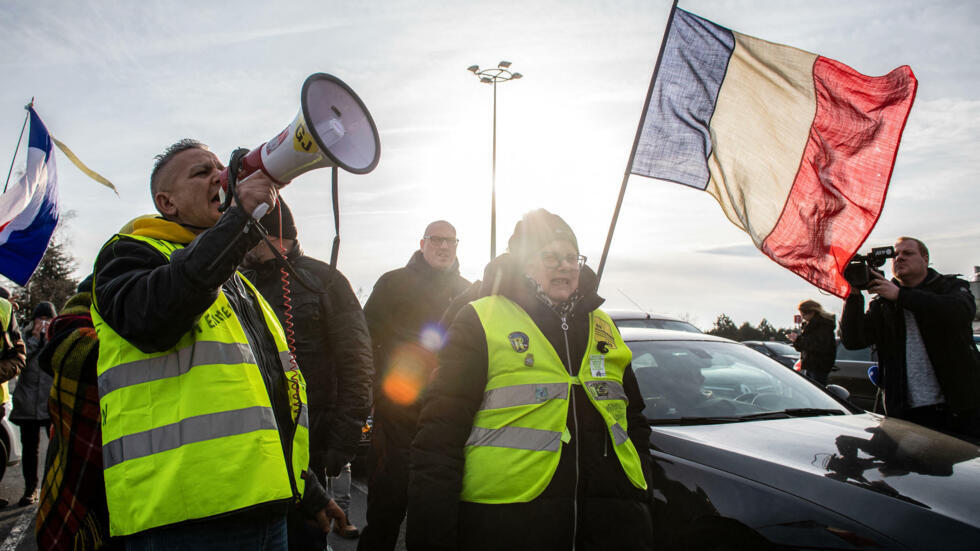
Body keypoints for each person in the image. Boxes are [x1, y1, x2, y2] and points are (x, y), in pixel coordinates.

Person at [91, 139, 333, 548]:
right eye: (202, 172)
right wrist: (238, 220)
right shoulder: (127, 254)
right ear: (167, 203)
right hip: (183, 515)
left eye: (221, 168)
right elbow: (153, 319)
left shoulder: (236, 281)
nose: (220, 177)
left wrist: (307, 492)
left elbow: (263, 400)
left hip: (262, 505)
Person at [407, 209, 653, 551]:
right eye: (550, 256)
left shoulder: (605, 327)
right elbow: (439, 437)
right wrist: (432, 536)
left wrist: (639, 493)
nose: (565, 266)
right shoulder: (481, 318)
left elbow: (634, 419)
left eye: (572, 257)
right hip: (505, 525)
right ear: (523, 264)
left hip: (612, 526)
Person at [242, 198, 372, 543]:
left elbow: (357, 365)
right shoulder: (237, 281)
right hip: (251, 451)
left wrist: (341, 447)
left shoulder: (324, 281)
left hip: (310, 451)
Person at [358, 220, 470, 551]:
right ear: (422, 243)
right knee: (384, 515)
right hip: (396, 422)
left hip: (448, 424)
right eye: (437, 240)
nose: (444, 246)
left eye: (451, 241)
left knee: (436, 523)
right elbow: (364, 339)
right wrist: (377, 392)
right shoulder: (394, 283)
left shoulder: (467, 292)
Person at [840, 236, 980, 442]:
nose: (899, 259)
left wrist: (900, 296)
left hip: (958, 409)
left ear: (925, 258)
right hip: (906, 414)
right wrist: (853, 295)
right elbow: (853, 340)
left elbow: (960, 312)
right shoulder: (883, 303)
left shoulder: (950, 286)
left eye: (908, 253)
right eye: (895, 256)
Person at [10, 301, 57, 506]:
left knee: (56, 447)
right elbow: (20, 360)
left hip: (49, 401)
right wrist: (35, 338)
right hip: (27, 401)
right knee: (30, 449)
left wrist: (48, 339)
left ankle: (54, 487)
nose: (44, 323)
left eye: (48, 319)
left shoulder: (57, 335)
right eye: (41, 319)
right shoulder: (24, 335)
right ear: (34, 320)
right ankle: (31, 489)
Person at [788, 299, 837, 385]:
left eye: (803, 314)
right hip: (811, 364)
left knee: (817, 390)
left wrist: (798, 340)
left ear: (811, 312)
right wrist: (796, 340)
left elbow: (816, 345)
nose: (802, 317)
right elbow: (805, 346)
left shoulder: (822, 325)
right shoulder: (811, 325)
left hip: (818, 365)